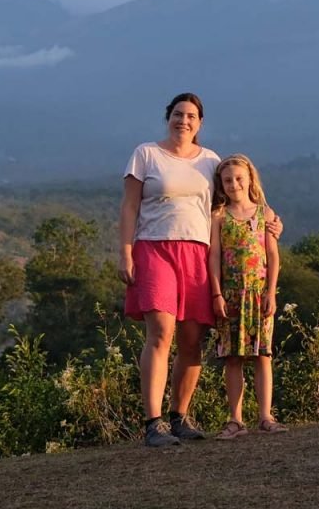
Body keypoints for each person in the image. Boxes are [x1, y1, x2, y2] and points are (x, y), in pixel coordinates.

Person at [119, 92, 281, 448]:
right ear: (168, 117)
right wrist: (126, 252)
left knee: (193, 340)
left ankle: (179, 417)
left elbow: (237, 202)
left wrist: (271, 222)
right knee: (161, 334)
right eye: (178, 114)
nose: (184, 121)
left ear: (200, 122)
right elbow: (129, 206)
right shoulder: (146, 154)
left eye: (191, 116)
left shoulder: (210, 160)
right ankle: (153, 423)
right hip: (154, 247)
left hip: (198, 253)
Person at [208, 153, 287, 438]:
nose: (234, 184)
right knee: (233, 357)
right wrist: (216, 293)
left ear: (250, 178)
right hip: (230, 295)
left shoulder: (265, 213)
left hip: (259, 295)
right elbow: (214, 257)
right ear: (221, 183)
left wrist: (271, 293)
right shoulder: (218, 216)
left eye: (239, 178)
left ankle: (266, 415)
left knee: (263, 355)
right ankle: (235, 419)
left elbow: (273, 257)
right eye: (227, 180)